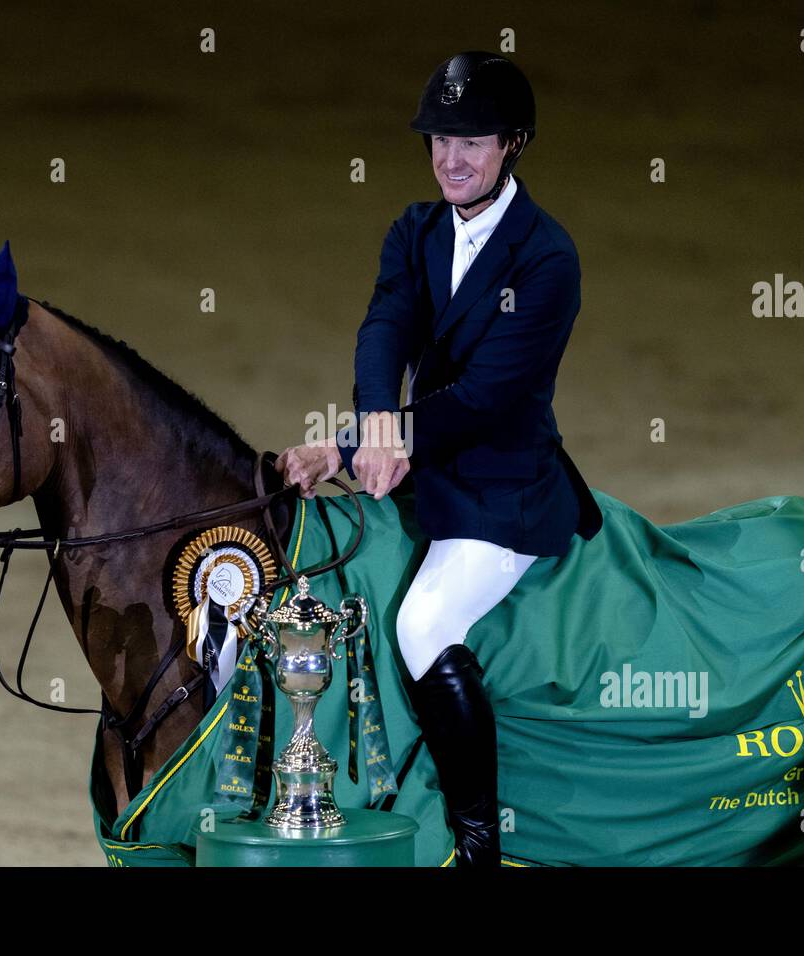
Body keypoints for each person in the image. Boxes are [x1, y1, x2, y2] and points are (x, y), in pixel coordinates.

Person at [275, 50, 603, 866]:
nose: (451, 160)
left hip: (502, 488)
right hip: (425, 465)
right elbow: (384, 330)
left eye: (473, 142)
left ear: (513, 145)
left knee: (423, 624)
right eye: (438, 141)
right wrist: (371, 424)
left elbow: (485, 400)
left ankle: (478, 842)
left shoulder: (546, 259)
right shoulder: (415, 231)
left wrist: (358, 447)